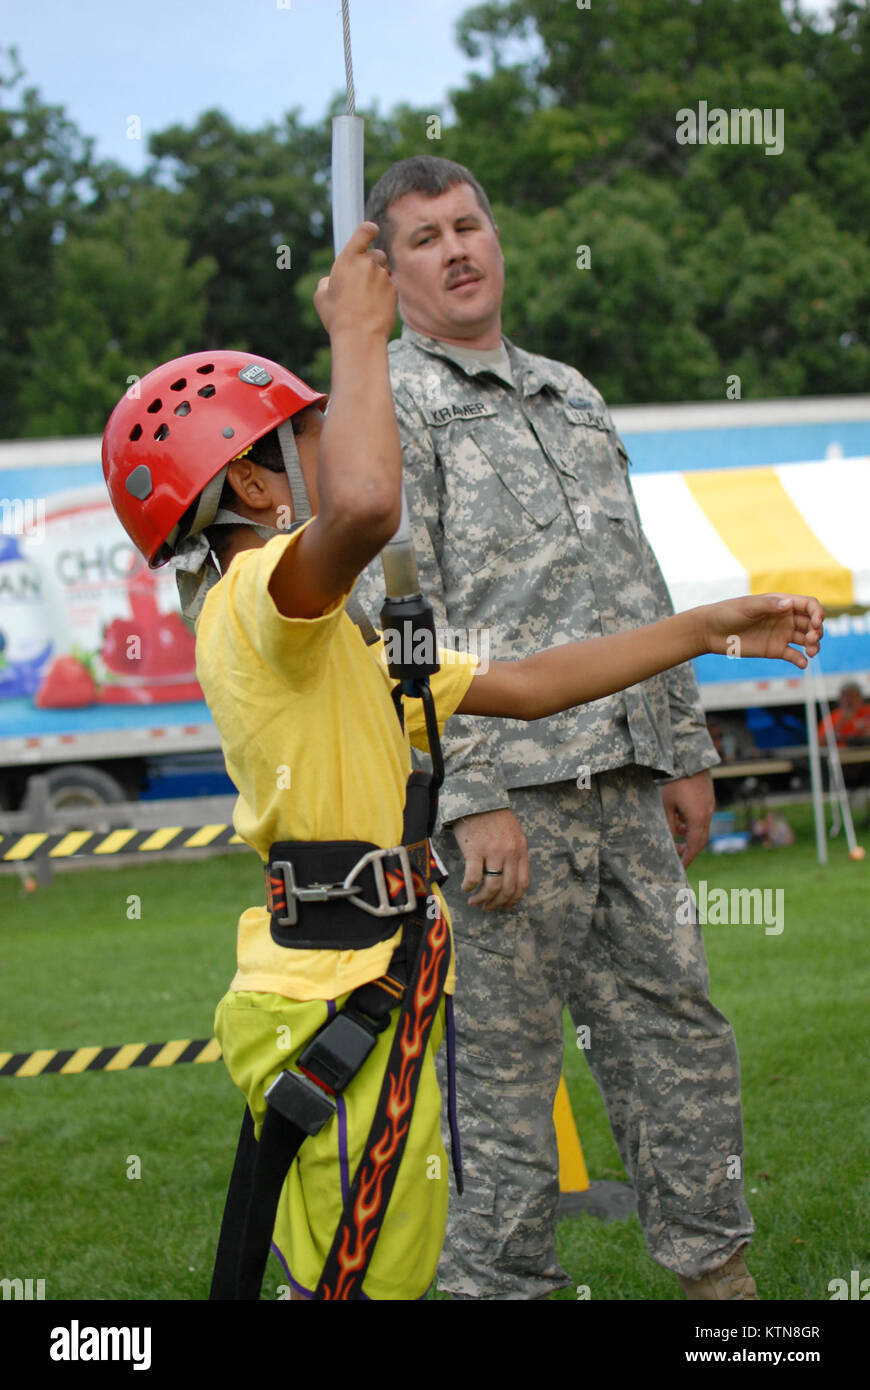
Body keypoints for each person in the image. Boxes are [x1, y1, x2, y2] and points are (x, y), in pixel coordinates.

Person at [101, 222, 823, 1302]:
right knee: (368, 1273)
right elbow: (367, 506)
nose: (337, 445)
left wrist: (707, 626)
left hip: (367, 974)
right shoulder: (260, 602)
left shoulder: (331, 633)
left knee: (370, 1264)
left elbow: (528, 684)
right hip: (338, 987)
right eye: (311, 433)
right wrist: (355, 331)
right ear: (254, 489)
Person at [358, 155, 774, 1301]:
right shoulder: (389, 401)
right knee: (500, 1082)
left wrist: (682, 746)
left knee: (679, 1039)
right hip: (512, 801)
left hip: (629, 777)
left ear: (496, 233)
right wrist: (472, 788)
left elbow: (637, 576)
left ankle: (722, 1291)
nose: (457, 249)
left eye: (468, 223)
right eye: (426, 237)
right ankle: (498, 1292)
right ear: (388, 271)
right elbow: (400, 616)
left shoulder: (571, 392)